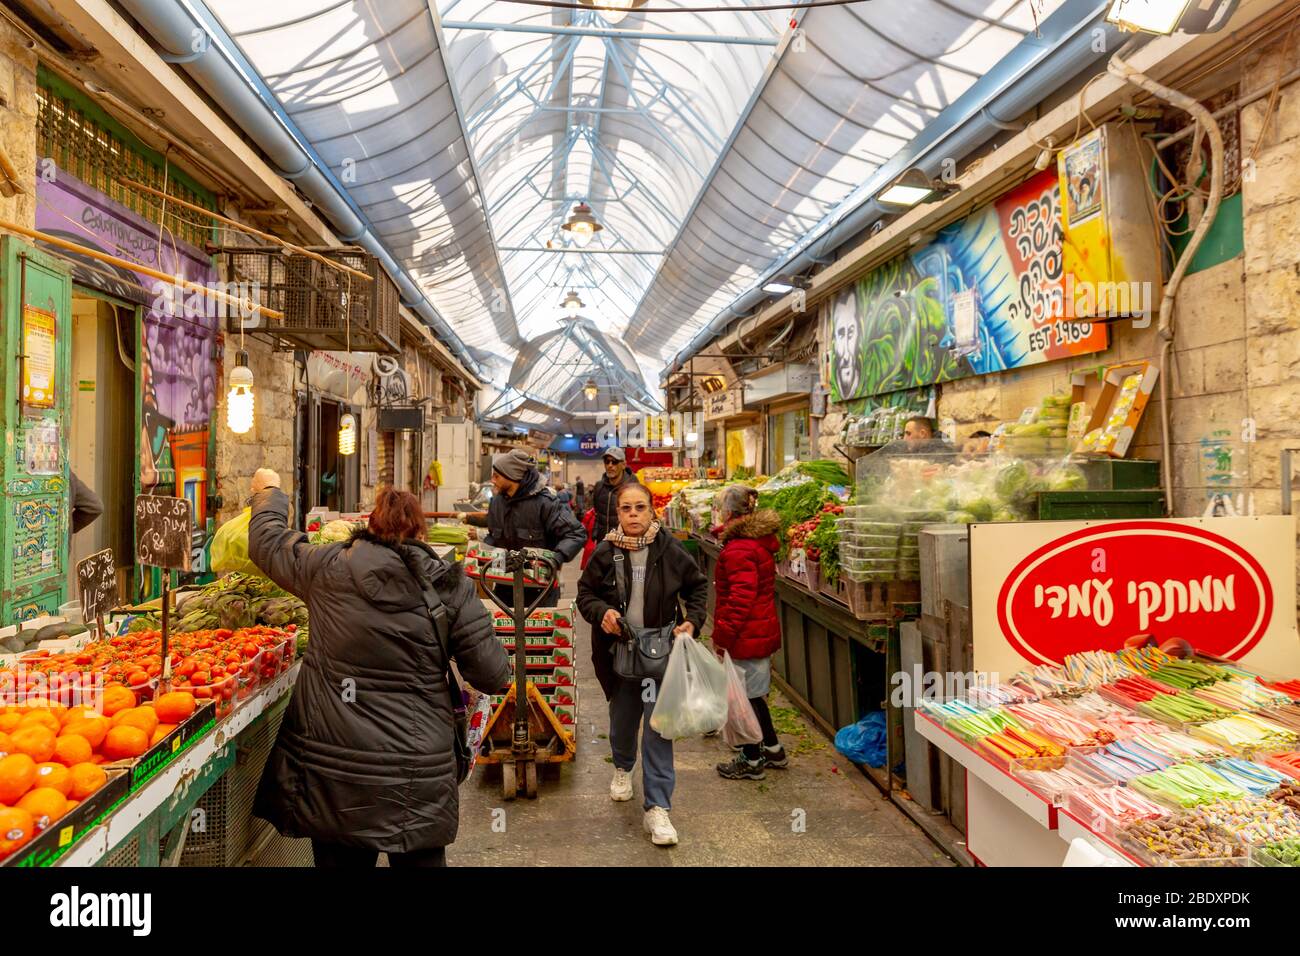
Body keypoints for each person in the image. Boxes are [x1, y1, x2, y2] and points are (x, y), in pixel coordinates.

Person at [247, 471, 510, 868]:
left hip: (333, 777)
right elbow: (493, 675)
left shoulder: (326, 566)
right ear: (420, 533)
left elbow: (267, 543)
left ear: (369, 526)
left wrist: (269, 493)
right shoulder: (449, 586)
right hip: (416, 779)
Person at [577, 482, 707, 847]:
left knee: (657, 728)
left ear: (652, 511)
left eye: (640, 508)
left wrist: (693, 622)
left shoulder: (670, 549)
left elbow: (698, 588)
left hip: (660, 656)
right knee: (622, 722)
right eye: (626, 508)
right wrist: (602, 612)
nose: (633, 515)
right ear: (617, 513)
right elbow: (585, 594)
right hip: (618, 655)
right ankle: (622, 767)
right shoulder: (606, 552)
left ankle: (658, 808)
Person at [708, 485, 787, 780]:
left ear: (728, 513)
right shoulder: (754, 542)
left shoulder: (740, 548)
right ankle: (773, 749)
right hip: (757, 630)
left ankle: (752, 760)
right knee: (753, 695)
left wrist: (722, 637)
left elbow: (740, 599)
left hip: (746, 634)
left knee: (746, 699)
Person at [483, 449, 586, 608]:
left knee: (539, 625)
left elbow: (575, 533)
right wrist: (483, 554)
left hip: (540, 591)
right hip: (504, 587)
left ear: (513, 476)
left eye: (497, 476)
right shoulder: (496, 503)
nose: (492, 480)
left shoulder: (545, 503)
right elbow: (493, 537)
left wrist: (555, 559)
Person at [590, 447, 634, 544]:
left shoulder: (633, 488)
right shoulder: (599, 487)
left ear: (623, 465)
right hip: (602, 542)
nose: (610, 465)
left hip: (624, 543)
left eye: (614, 462)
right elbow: (597, 514)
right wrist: (595, 534)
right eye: (607, 461)